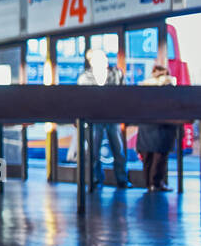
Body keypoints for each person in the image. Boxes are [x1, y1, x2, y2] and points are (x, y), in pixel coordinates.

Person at [76, 48, 130, 189]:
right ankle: (95, 179)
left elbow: (125, 94)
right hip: (93, 118)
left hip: (113, 116)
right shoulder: (84, 78)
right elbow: (81, 99)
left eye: (105, 57)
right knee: (93, 151)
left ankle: (122, 179)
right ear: (92, 61)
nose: (105, 60)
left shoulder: (116, 73)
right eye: (102, 57)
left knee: (118, 150)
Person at [136, 64, 179, 192]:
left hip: (146, 127)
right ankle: (156, 183)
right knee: (159, 158)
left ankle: (149, 184)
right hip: (163, 127)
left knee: (148, 158)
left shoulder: (145, 87)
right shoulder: (169, 87)